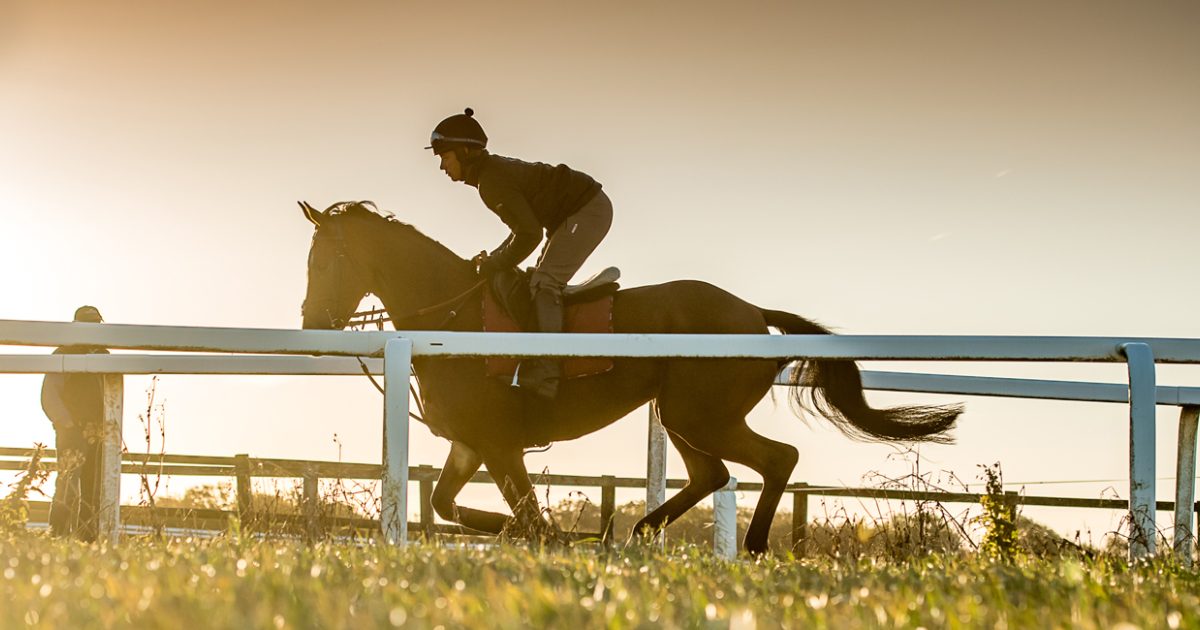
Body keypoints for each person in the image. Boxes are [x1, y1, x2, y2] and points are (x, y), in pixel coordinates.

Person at [427, 108, 613, 402]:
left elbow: (529, 235)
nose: (442, 166)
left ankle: (546, 373)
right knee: (536, 281)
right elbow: (522, 232)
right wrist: (494, 260)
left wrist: (495, 263)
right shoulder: (490, 177)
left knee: (545, 283)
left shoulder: (491, 182)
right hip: (571, 214)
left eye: (445, 157)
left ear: (465, 152)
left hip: (587, 209)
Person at [40, 305, 109, 541]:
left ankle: (87, 540)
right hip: (72, 429)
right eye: (89, 323)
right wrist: (66, 423)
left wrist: (108, 427)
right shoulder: (64, 352)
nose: (94, 328)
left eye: (96, 324)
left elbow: (112, 394)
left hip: (98, 431)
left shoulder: (104, 355)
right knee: (67, 485)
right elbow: (50, 394)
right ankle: (57, 536)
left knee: (94, 488)